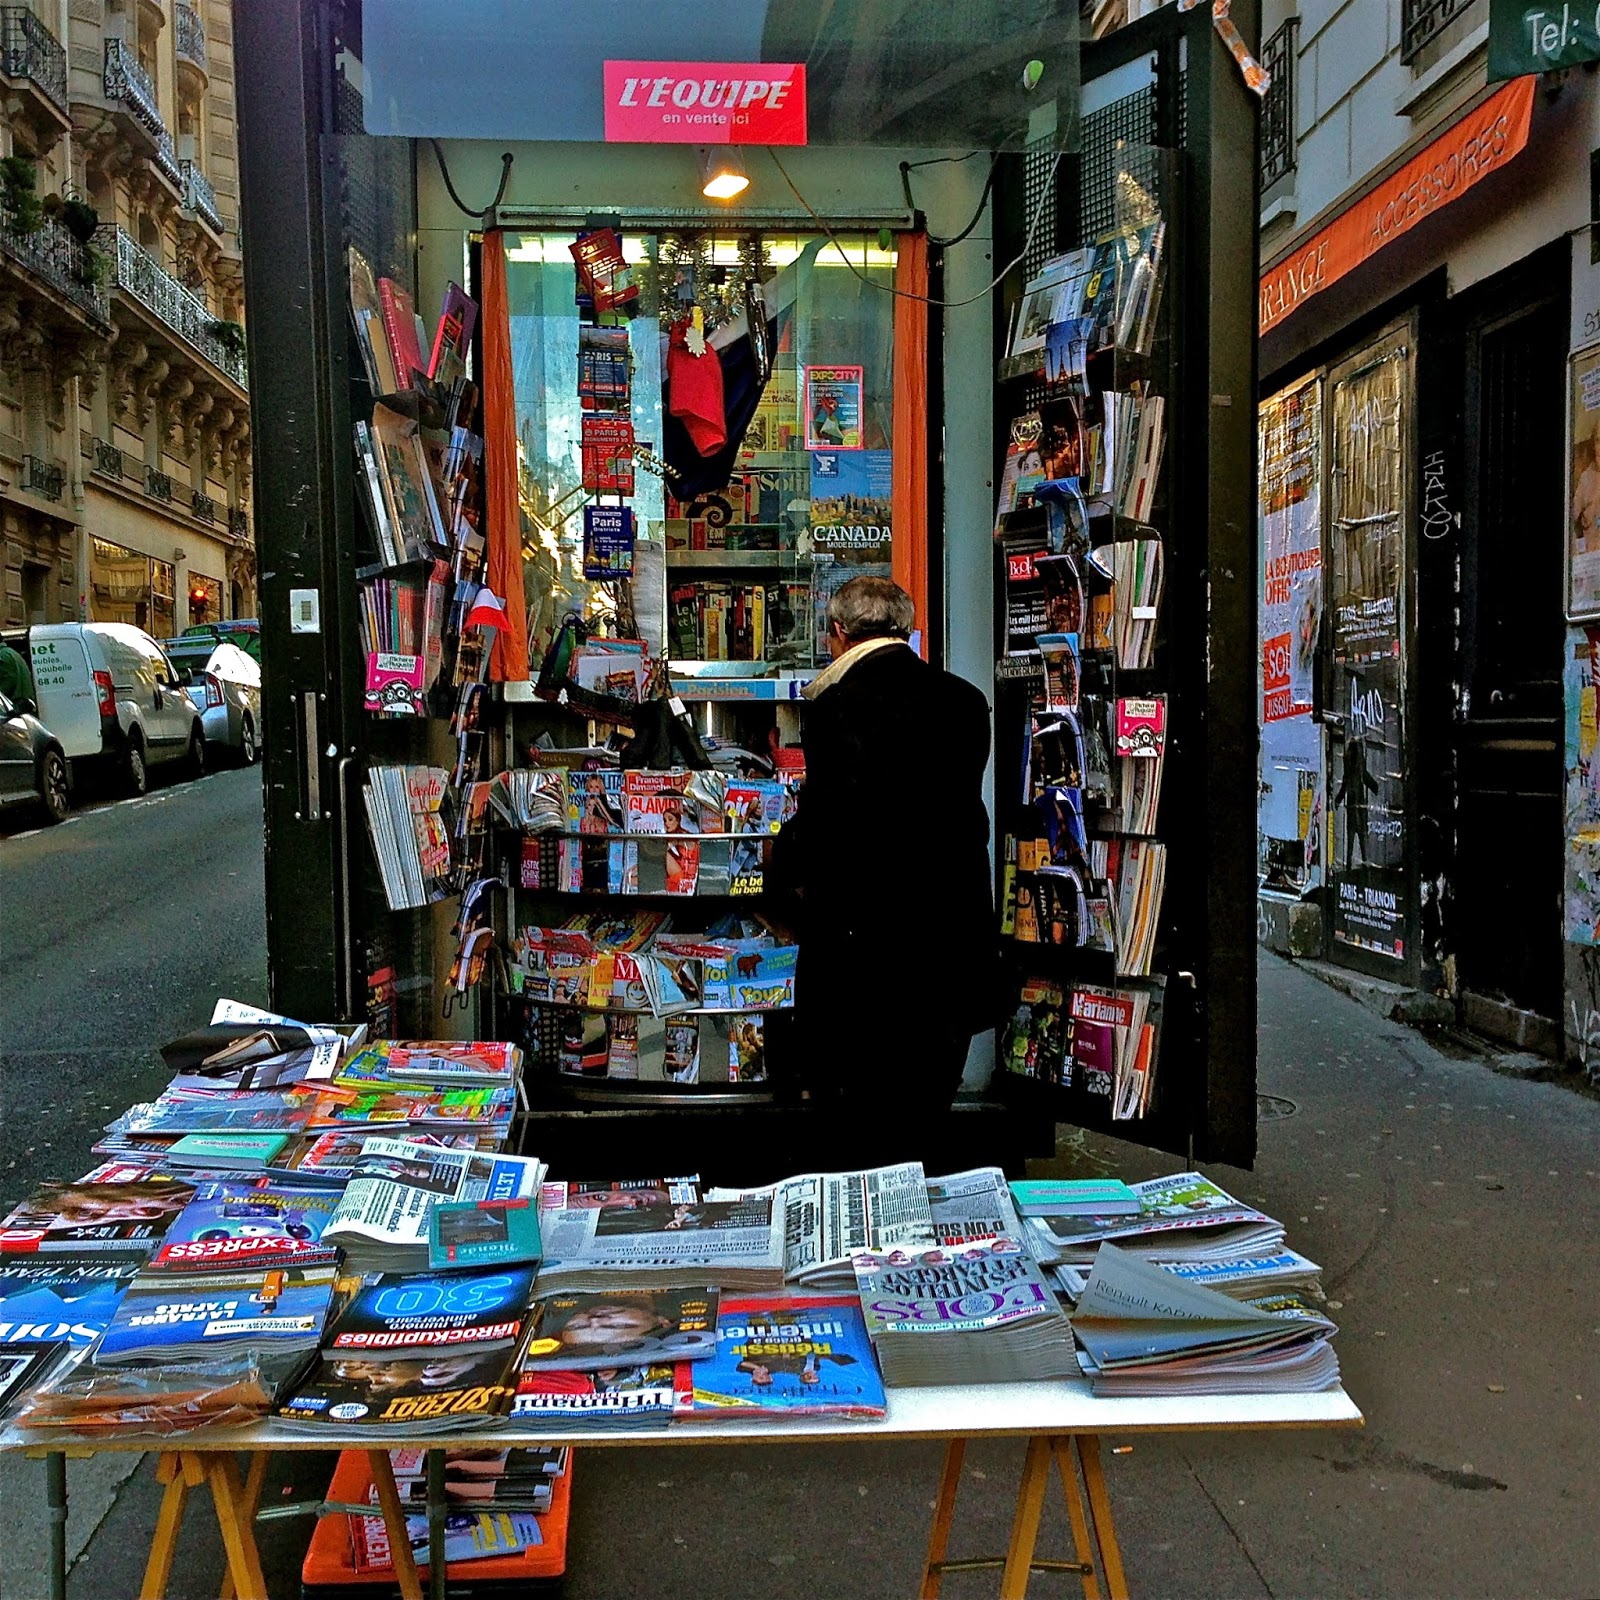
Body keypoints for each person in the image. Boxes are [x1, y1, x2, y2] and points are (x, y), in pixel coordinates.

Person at [771, 575, 995, 1164]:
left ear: (838, 634)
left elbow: (828, 826)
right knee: (921, 1126)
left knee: (856, 1137)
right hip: (949, 955)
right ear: (906, 630)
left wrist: (780, 880)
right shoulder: (966, 701)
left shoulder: (837, 706)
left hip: (865, 962)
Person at [0, 636, 35, 715]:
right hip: (23, 708)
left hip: (14, 711)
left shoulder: (2, 656)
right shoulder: (11, 653)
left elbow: (6, 685)